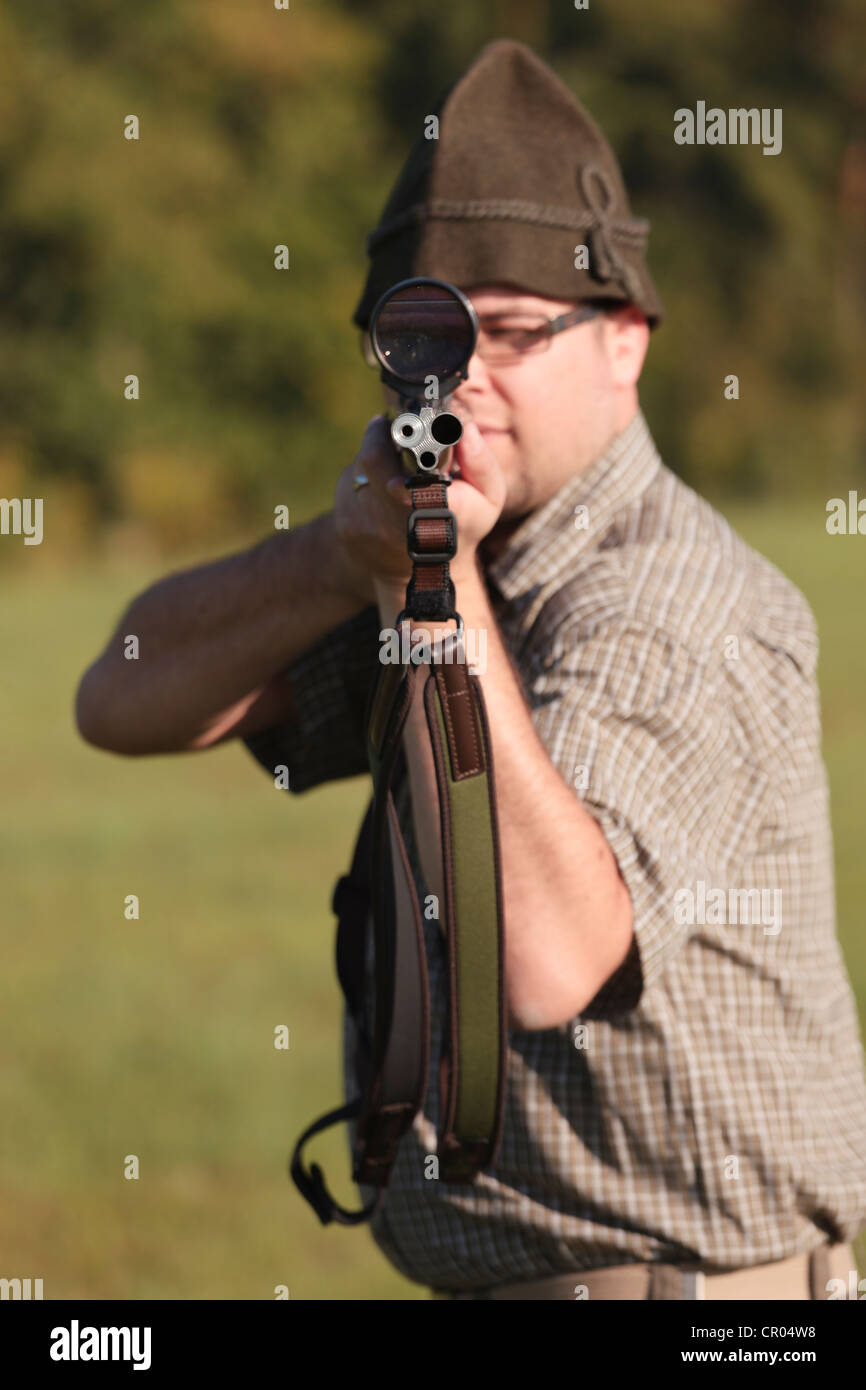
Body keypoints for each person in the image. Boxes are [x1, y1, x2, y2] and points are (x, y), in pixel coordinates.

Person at [75, 39, 866, 1300]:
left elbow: (552, 960)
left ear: (626, 339)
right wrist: (350, 553)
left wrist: (425, 589)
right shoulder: (441, 558)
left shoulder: (677, 602)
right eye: (421, 337)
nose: (460, 382)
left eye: (504, 332)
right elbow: (118, 694)